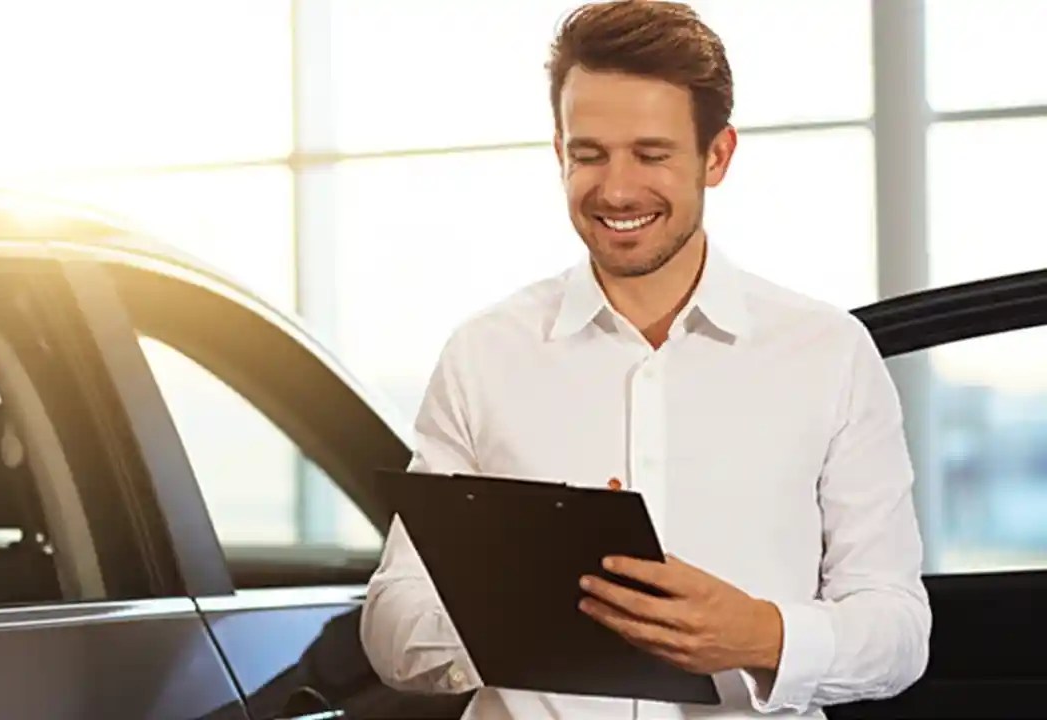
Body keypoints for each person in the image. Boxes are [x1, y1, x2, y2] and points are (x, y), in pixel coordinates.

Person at [359, 1, 931, 718]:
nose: (617, 190)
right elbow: (390, 620)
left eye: (651, 154)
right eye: (588, 154)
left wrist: (759, 634)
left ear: (716, 156)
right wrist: (530, 617)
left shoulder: (829, 352)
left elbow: (899, 629)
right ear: (559, 152)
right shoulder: (484, 353)